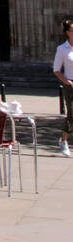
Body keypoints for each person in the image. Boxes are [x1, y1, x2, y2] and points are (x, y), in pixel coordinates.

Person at [53, 17, 73, 157]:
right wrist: (67, 82)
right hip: (70, 84)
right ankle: (64, 141)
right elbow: (56, 69)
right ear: (67, 32)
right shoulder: (62, 49)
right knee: (72, 115)